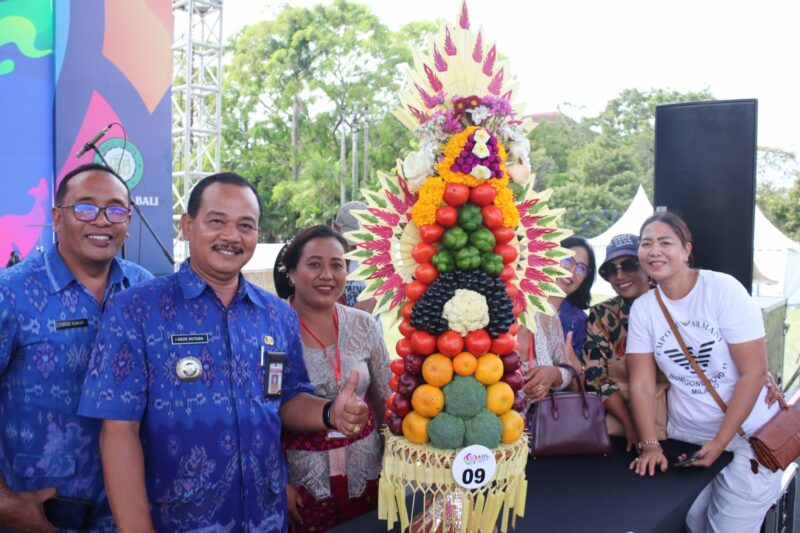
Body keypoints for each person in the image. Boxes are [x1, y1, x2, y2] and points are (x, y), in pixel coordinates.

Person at [77, 173, 370, 532]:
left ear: (257, 234)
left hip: (266, 520)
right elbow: (118, 430)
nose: (232, 236)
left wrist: (329, 412)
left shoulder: (276, 315)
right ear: (188, 226)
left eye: (245, 225)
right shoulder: (136, 309)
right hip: (176, 522)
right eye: (217, 221)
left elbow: (287, 398)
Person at [0, 163, 152, 532]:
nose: (102, 220)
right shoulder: (11, 293)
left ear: (128, 220)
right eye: (85, 207)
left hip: (129, 515)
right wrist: (5, 505)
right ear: (56, 217)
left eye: (116, 209)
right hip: (39, 516)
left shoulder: (144, 290)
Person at [627, 211, 781, 532]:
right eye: (646, 244)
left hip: (744, 438)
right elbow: (640, 383)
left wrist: (721, 440)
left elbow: (754, 373)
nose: (654, 250)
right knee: (696, 524)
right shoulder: (644, 308)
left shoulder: (723, 290)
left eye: (665, 242)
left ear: (686, 250)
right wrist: (650, 444)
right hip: (687, 437)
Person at [274, 225, 391, 532]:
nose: (327, 275)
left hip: (367, 474)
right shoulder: (271, 329)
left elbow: (385, 400)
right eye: (314, 264)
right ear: (291, 272)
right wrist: (275, 483)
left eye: (337, 265)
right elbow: (260, 416)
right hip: (301, 484)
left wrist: (392, 462)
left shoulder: (364, 325)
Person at [582, 233, 653, 450]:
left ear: (647, 267)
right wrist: (631, 426)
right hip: (623, 429)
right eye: (612, 270)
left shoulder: (673, 306)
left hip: (683, 424)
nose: (620, 275)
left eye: (629, 265)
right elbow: (596, 376)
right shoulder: (602, 315)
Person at [551, 236, 595, 356]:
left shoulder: (581, 324)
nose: (571, 271)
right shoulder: (520, 298)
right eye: (567, 260)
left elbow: (580, 371)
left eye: (581, 268)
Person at [519, 312, 575, 404]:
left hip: (541, 415)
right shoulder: (487, 317)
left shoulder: (545, 313)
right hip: (492, 416)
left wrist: (554, 374)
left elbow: (569, 373)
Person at [332, 200, 377, 314]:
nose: (356, 247)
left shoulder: (378, 261)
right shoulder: (323, 262)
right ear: (335, 228)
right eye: (351, 242)